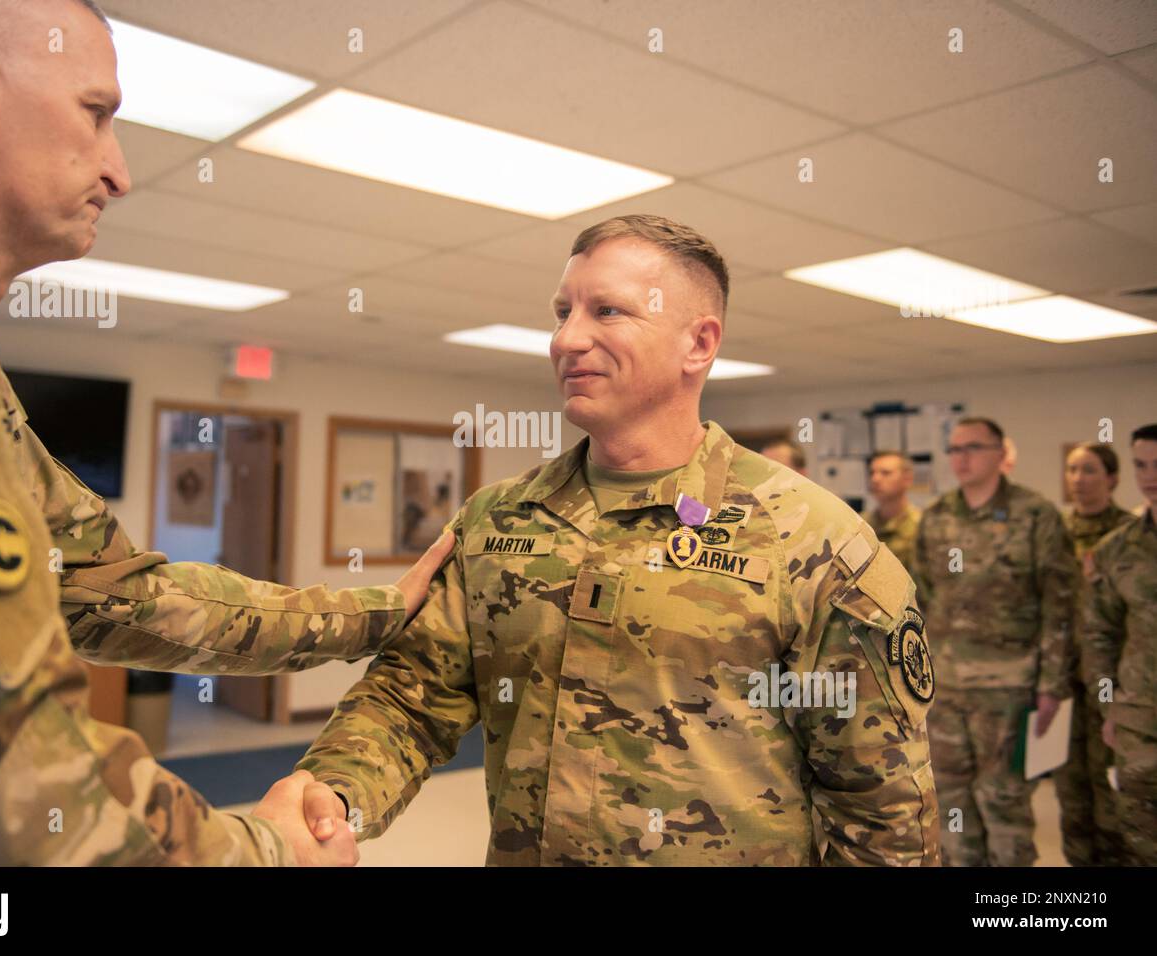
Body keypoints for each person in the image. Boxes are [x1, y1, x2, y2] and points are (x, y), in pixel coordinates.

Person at [0, 0, 451, 866]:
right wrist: (266, 851)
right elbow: (8, 798)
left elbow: (116, 591)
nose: (118, 171)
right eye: (96, 113)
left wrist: (372, 616)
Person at [294, 214, 940, 866]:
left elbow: (881, 811)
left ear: (699, 343)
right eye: (561, 312)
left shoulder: (812, 539)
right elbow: (412, 698)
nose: (567, 339)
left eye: (607, 311)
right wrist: (335, 796)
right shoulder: (501, 520)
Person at [913, 418, 1077, 866]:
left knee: (1004, 803)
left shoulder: (1035, 515)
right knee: (951, 805)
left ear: (1000, 454)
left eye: (972, 448)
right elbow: (921, 603)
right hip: (946, 689)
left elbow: (1059, 608)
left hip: (1011, 687)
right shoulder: (938, 517)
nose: (960, 458)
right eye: (954, 449)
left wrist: (1051, 687)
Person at [1055, 442, 1135, 865]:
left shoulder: (1128, 535)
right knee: (1071, 791)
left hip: (1113, 678)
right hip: (1063, 680)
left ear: (1112, 479)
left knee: (1112, 791)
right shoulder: (1056, 533)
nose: (1078, 479)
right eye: (1072, 470)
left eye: (1088, 470)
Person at [1081, 424, 1157, 865]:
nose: (1149, 476)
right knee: (1140, 838)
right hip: (1139, 720)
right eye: (1141, 465)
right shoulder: (1118, 549)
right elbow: (1100, 633)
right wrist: (1108, 707)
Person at [865, 450, 920, 575]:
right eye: (872, 473)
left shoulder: (921, 525)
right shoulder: (861, 524)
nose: (875, 479)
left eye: (886, 473)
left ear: (907, 479)